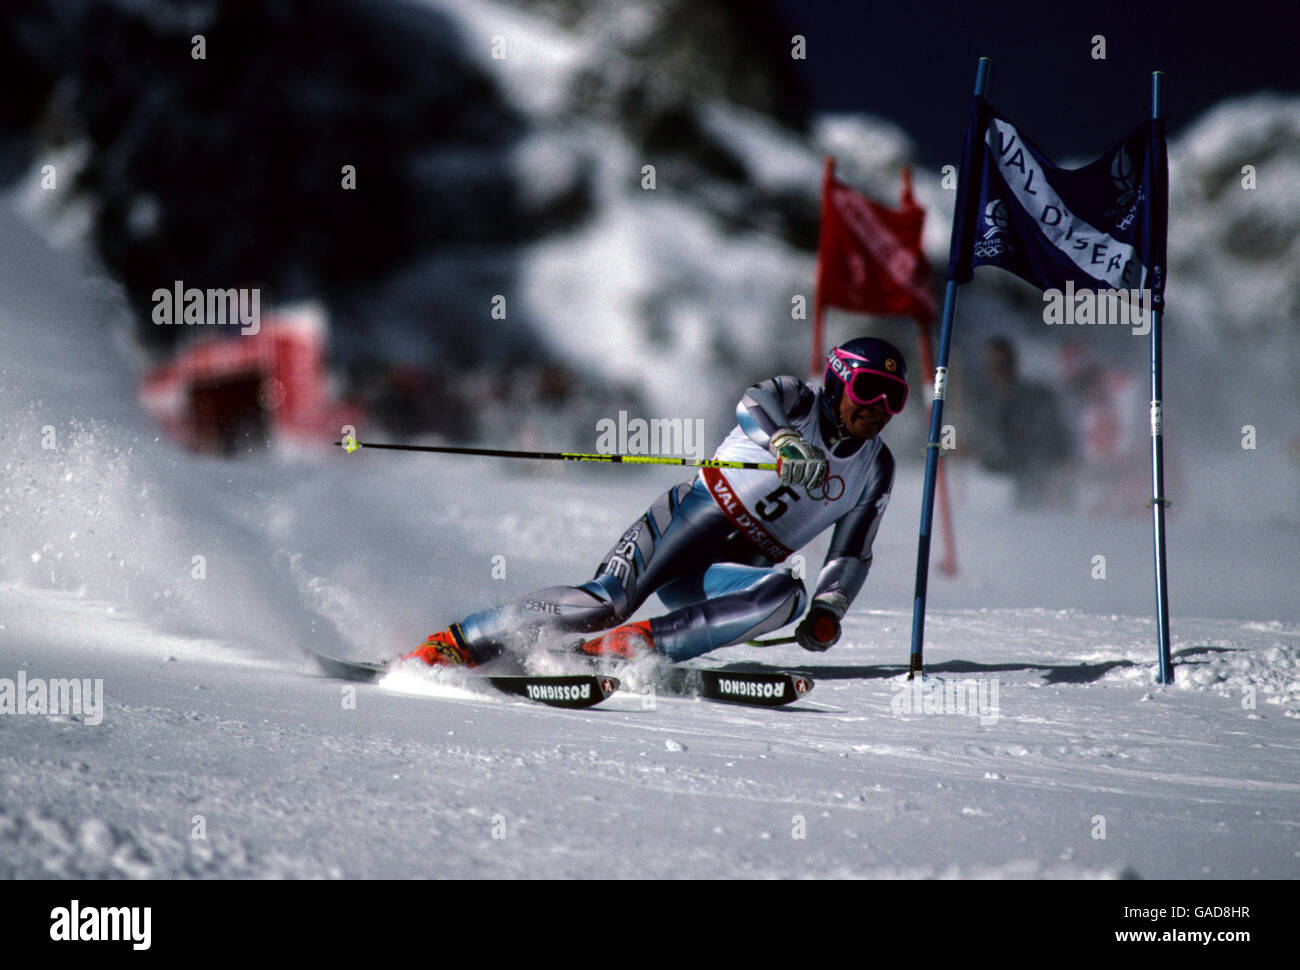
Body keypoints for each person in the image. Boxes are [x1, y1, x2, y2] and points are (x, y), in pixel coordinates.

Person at [403, 337, 907, 668]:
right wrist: (782, 442)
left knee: (788, 596)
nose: (879, 409)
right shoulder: (798, 399)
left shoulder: (875, 467)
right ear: (840, 380)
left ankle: (627, 651)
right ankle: (458, 642)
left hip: (722, 573)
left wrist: (828, 607)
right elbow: (752, 403)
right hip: (687, 523)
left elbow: (849, 554)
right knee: (605, 604)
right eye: (869, 390)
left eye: (895, 398)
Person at [966, 336, 1072, 508]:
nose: (999, 370)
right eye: (992, 364)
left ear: (1014, 363)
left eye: (1003, 363)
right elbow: (966, 442)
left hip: (1033, 482)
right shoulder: (978, 402)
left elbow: (1057, 440)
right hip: (989, 484)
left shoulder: (1037, 398)